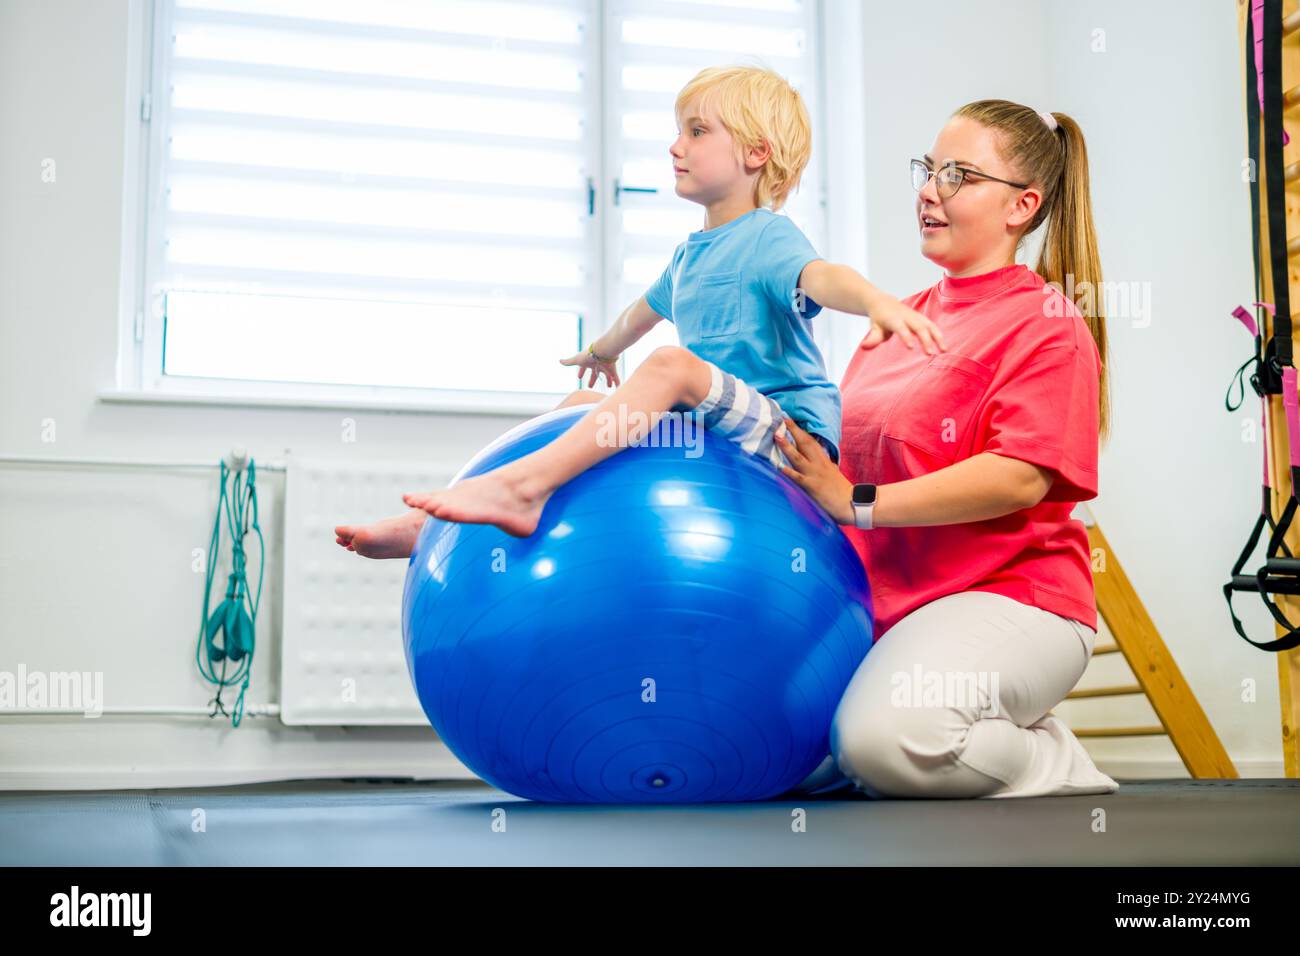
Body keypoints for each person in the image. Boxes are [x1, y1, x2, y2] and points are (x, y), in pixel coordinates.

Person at [336, 64, 941, 553]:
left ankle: (522, 490)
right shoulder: (689, 256)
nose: (675, 145)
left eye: (697, 131)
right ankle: (445, 527)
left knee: (671, 366)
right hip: (712, 431)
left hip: (783, 437)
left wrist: (874, 302)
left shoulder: (768, 236)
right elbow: (641, 313)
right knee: (579, 406)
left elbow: (822, 277)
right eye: (679, 130)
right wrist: (603, 351)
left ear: (756, 153)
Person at [778, 100, 1120, 799]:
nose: (929, 190)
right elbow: (834, 464)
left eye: (959, 174)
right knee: (778, 755)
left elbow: (1019, 478)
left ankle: (1051, 759)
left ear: (1021, 205)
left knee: (883, 743)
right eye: (929, 170)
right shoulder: (896, 323)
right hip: (889, 606)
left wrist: (857, 503)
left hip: (1013, 598)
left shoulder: (1047, 327)